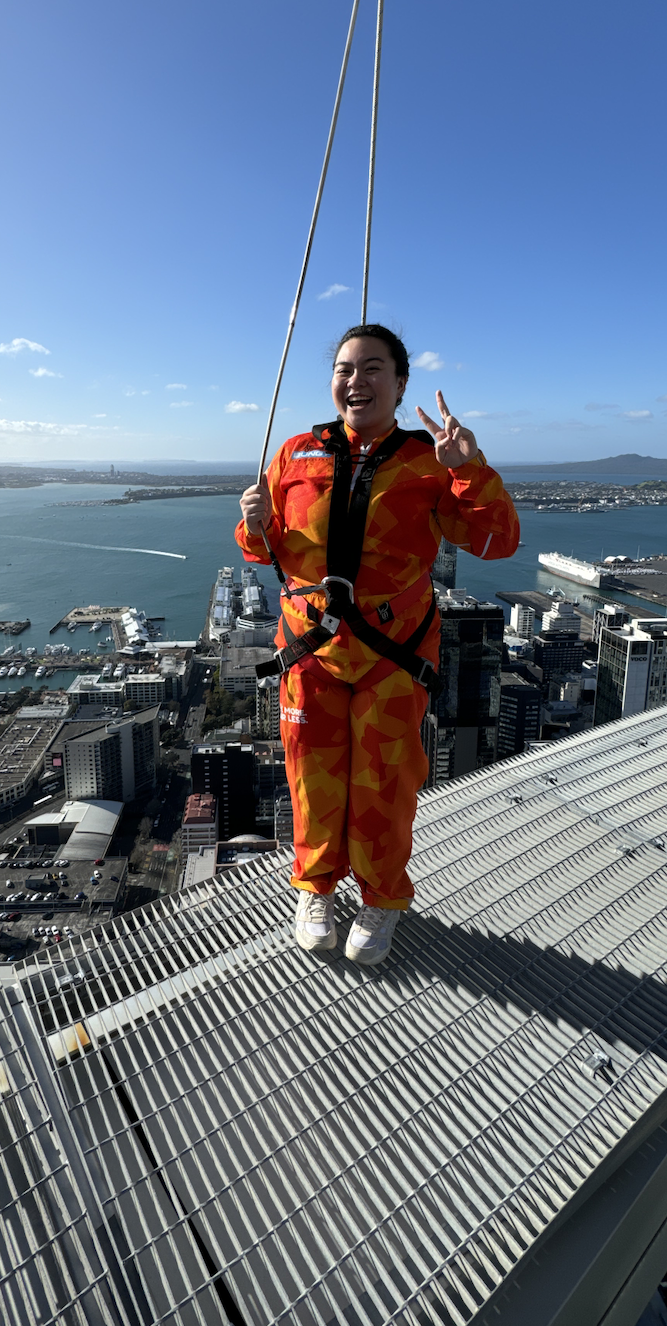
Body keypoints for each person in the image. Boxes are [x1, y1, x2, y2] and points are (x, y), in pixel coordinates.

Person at [236, 324, 519, 966]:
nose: (355, 380)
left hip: (392, 652)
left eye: (371, 368)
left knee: (385, 783)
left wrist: (469, 470)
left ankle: (382, 898)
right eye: (344, 368)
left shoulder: (426, 461)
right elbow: (272, 548)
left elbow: (497, 540)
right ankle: (315, 888)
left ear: (400, 383)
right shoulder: (296, 453)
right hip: (310, 648)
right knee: (310, 776)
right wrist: (252, 526)